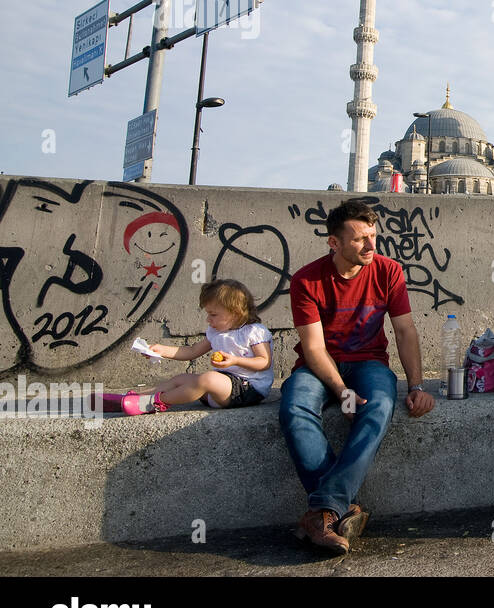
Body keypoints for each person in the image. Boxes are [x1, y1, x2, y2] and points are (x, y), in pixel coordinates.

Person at [279, 199, 434, 555]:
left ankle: (321, 513)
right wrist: (341, 389)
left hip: (369, 363)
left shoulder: (388, 271)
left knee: (380, 404)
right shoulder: (307, 279)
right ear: (334, 243)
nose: (370, 245)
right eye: (360, 239)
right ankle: (340, 509)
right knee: (294, 408)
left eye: (373, 236)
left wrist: (416, 385)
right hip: (318, 368)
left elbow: (405, 331)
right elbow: (314, 349)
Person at [112, 280, 272, 415]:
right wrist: (162, 350)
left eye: (213, 315)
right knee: (181, 379)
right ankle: (134, 397)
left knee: (208, 378)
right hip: (220, 390)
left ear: (236, 313)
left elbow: (264, 362)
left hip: (248, 389)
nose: (208, 319)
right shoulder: (217, 332)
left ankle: (155, 402)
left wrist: (235, 361)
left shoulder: (254, 332)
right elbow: (192, 351)